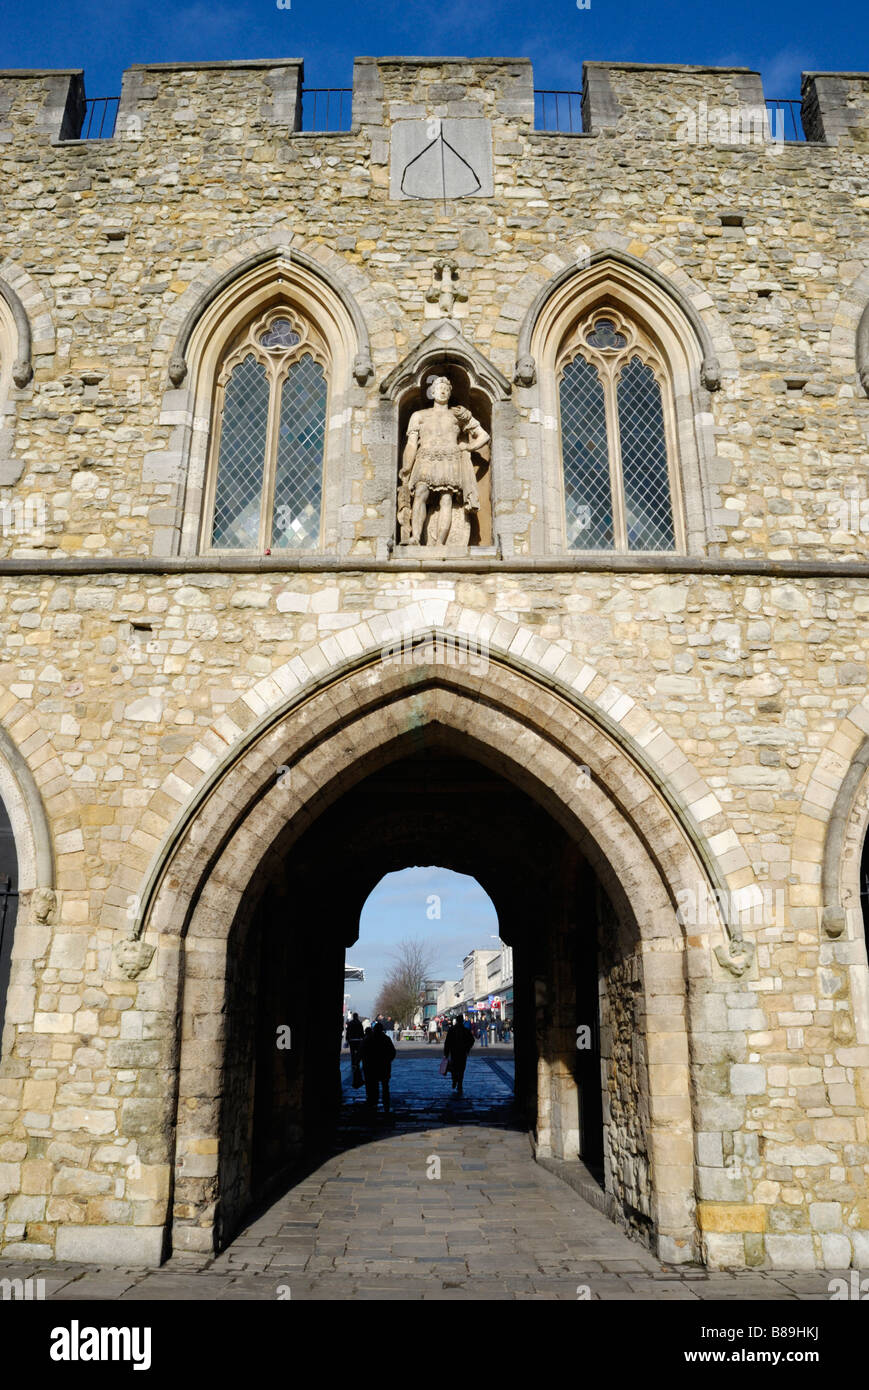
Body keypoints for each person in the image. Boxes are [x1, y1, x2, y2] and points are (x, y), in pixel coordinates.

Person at [362, 1020, 396, 1114]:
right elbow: (392, 1052)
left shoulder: (368, 1039)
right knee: (385, 1086)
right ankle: (386, 1103)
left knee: (374, 1086)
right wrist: (388, 1060)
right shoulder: (386, 1039)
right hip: (384, 1066)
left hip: (372, 1067)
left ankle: (373, 1103)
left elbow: (363, 1052)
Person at [444, 1015, 474, 1095]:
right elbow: (472, 1040)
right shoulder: (465, 1030)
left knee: (454, 1067)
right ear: (462, 1021)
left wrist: (446, 1053)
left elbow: (447, 1042)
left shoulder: (452, 1029)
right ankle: (460, 1084)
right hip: (462, 1052)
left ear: (457, 1021)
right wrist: (467, 1048)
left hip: (454, 1052)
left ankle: (454, 1080)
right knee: (461, 1069)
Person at [345, 1011, 364, 1086]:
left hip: (352, 1040)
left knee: (352, 1052)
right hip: (358, 1040)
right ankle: (357, 1063)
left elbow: (348, 1032)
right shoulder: (359, 1023)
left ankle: (353, 1063)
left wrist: (347, 1039)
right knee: (358, 1052)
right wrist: (362, 1038)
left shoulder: (350, 1023)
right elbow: (362, 1032)